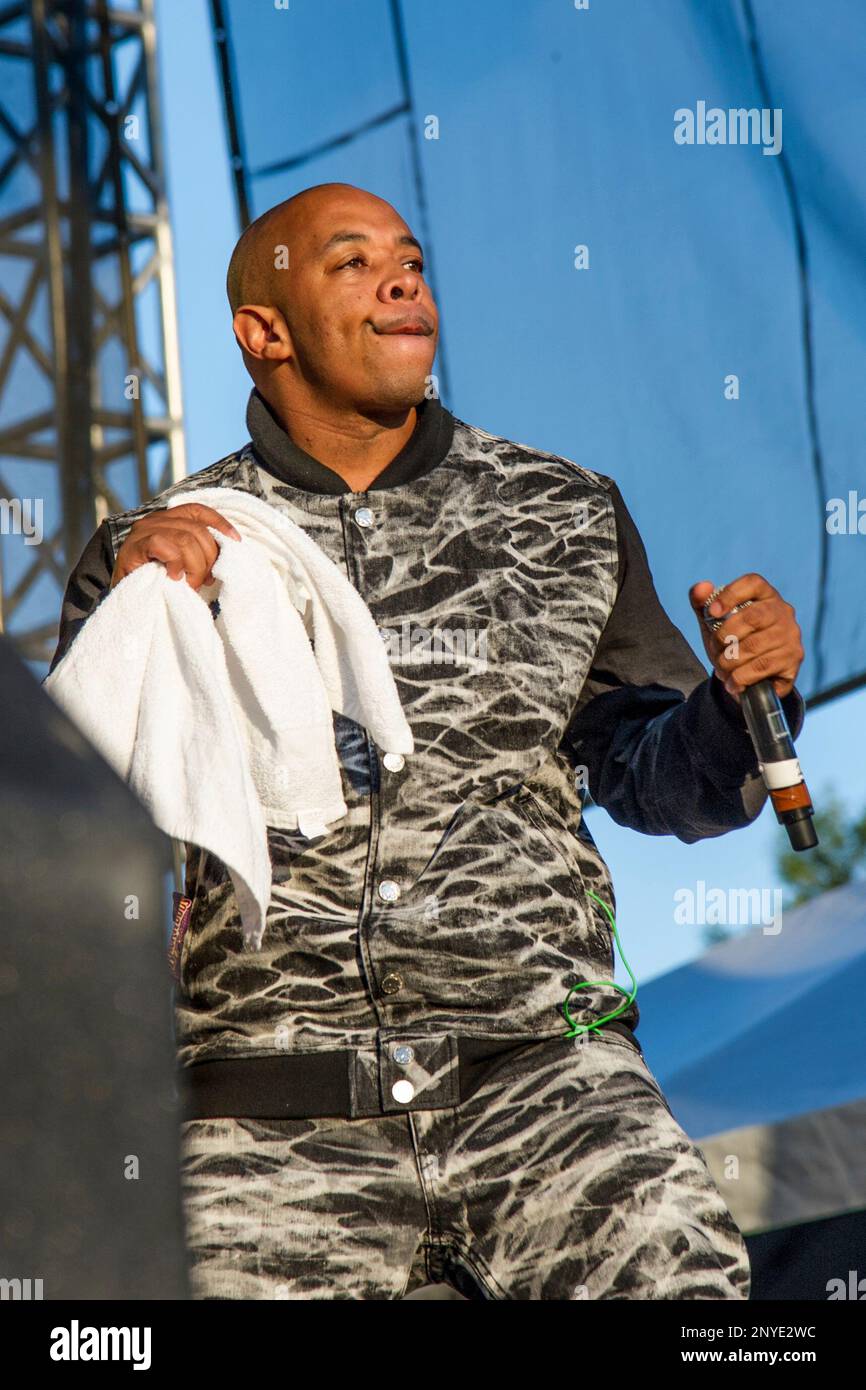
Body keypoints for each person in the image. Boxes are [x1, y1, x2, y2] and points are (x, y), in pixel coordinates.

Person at [49, 182, 806, 1301]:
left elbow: (653, 780)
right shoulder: (162, 552)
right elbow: (77, 839)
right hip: (265, 1109)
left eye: (408, 258)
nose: (402, 279)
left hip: (544, 1080)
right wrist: (139, 605)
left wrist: (735, 707)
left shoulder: (564, 510)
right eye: (351, 263)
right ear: (264, 331)